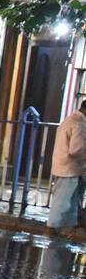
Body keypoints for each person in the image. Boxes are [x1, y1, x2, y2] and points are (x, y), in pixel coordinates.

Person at [47, 95, 86, 234]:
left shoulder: (70, 120)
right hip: (70, 168)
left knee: (67, 199)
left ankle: (61, 228)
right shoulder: (79, 124)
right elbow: (76, 150)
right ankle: (54, 228)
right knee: (64, 201)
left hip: (65, 166)